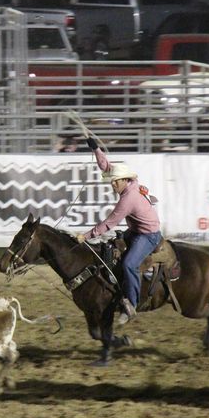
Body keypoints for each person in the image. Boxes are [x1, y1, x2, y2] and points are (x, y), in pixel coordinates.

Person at [76, 137, 162, 326]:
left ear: (124, 180)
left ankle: (131, 304)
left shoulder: (128, 199)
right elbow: (107, 167)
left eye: (115, 182)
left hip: (148, 235)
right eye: (112, 182)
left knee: (129, 264)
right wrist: (96, 149)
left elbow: (109, 223)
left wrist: (86, 236)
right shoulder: (131, 183)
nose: (112, 185)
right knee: (112, 250)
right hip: (138, 230)